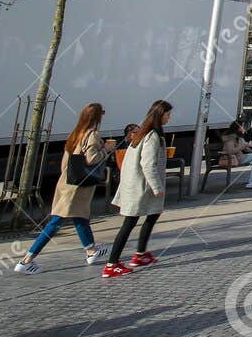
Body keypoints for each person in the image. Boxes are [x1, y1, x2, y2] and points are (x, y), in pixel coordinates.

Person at [16, 103, 112, 273]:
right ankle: (26, 260)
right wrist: (106, 149)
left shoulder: (75, 133)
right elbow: (91, 159)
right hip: (77, 188)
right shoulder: (92, 135)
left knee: (80, 217)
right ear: (97, 117)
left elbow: (65, 162)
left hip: (67, 182)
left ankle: (91, 251)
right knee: (55, 222)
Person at [103, 100, 173, 277]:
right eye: (167, 114)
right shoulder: (152, 136)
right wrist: (157, 186)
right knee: (130, 222)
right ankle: (112, 263)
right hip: (141, 186)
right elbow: (148, 164)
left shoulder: (144, 133)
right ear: (159, 115)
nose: (169, 118)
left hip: (139, 184)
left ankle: (140, 254)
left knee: (153, 214)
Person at [219, 120, 252, 189]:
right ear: (238, 128)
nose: (243, 128)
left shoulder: (239, 136)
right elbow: (231, 151)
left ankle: (251, 183)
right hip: (232, 158)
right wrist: (243, 146)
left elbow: (246, 149)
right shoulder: (231, 137)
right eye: (242, 127)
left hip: (239, 157)